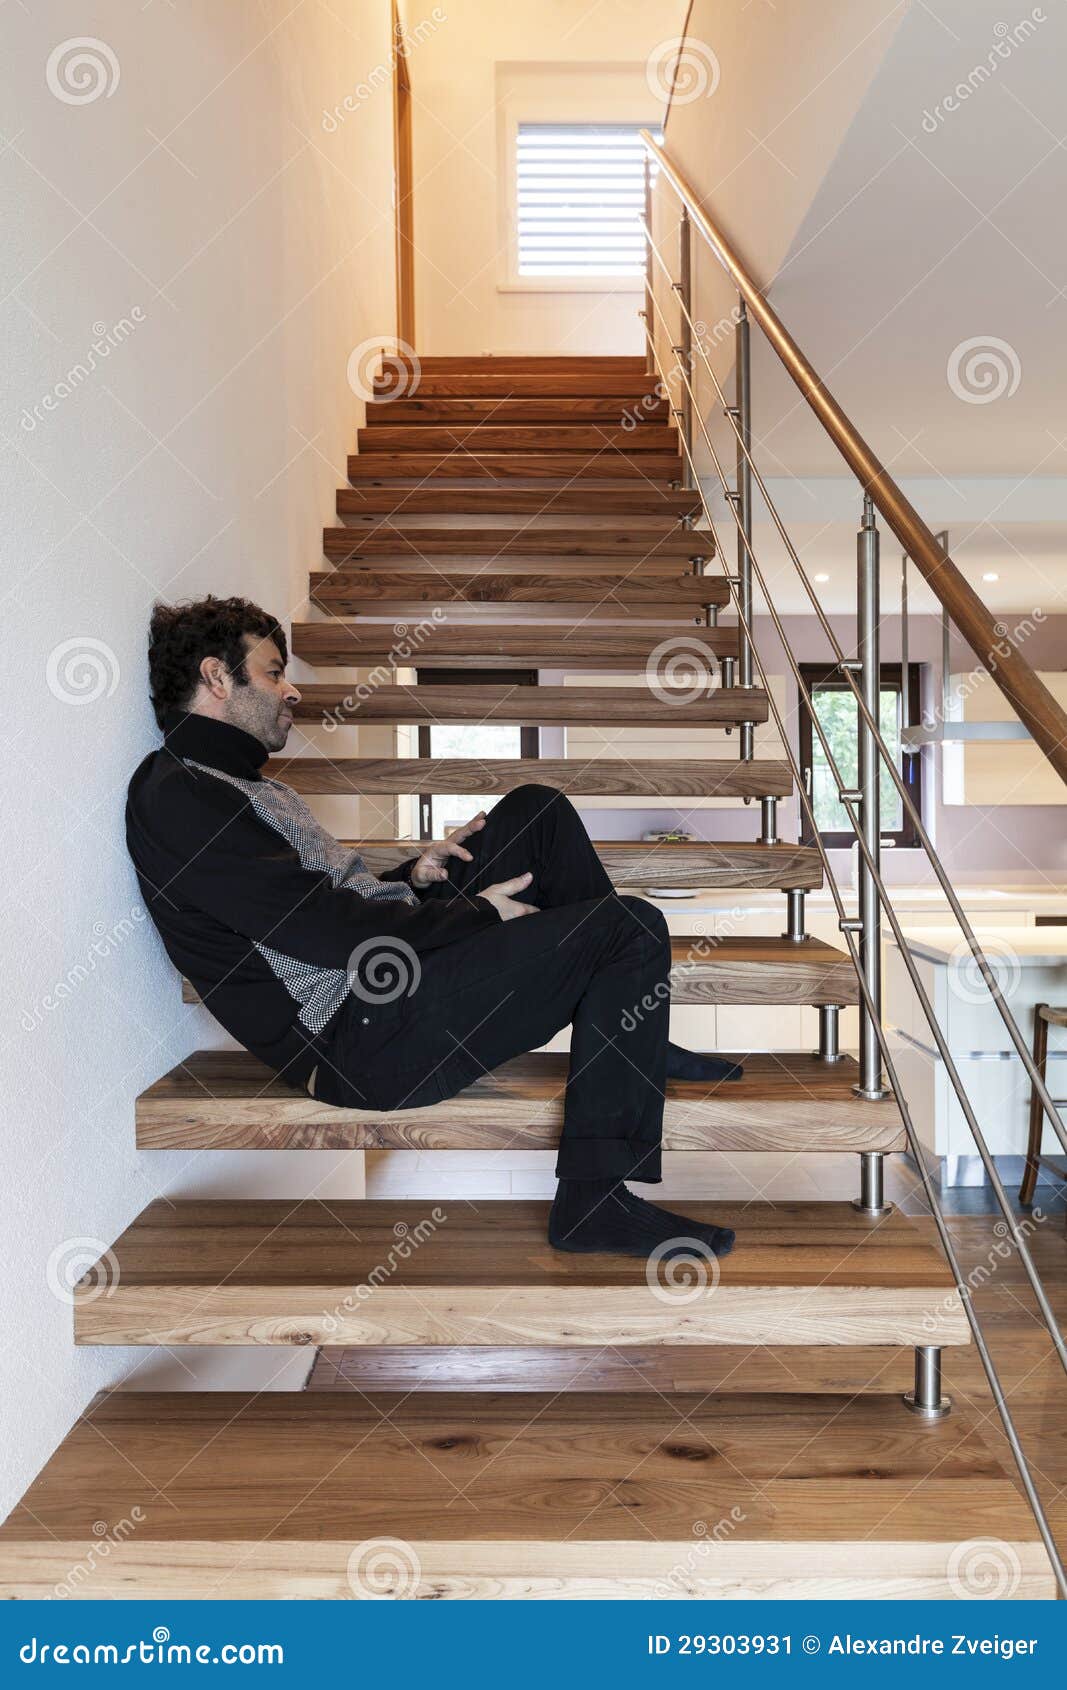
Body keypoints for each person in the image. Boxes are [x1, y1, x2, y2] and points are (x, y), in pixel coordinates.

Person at [126, 594, 739, 1260]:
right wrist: (477, 912)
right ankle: (592, 1203)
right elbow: (327, 933)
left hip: (382, 983)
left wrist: (410, 877)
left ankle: (635, 1035)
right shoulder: (184, 798)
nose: (292, 689)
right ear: (218, 678)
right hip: (357, 1039)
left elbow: (316, 899)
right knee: (628, 927)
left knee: (538, 812)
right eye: (274, 672)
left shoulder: (237, 782)